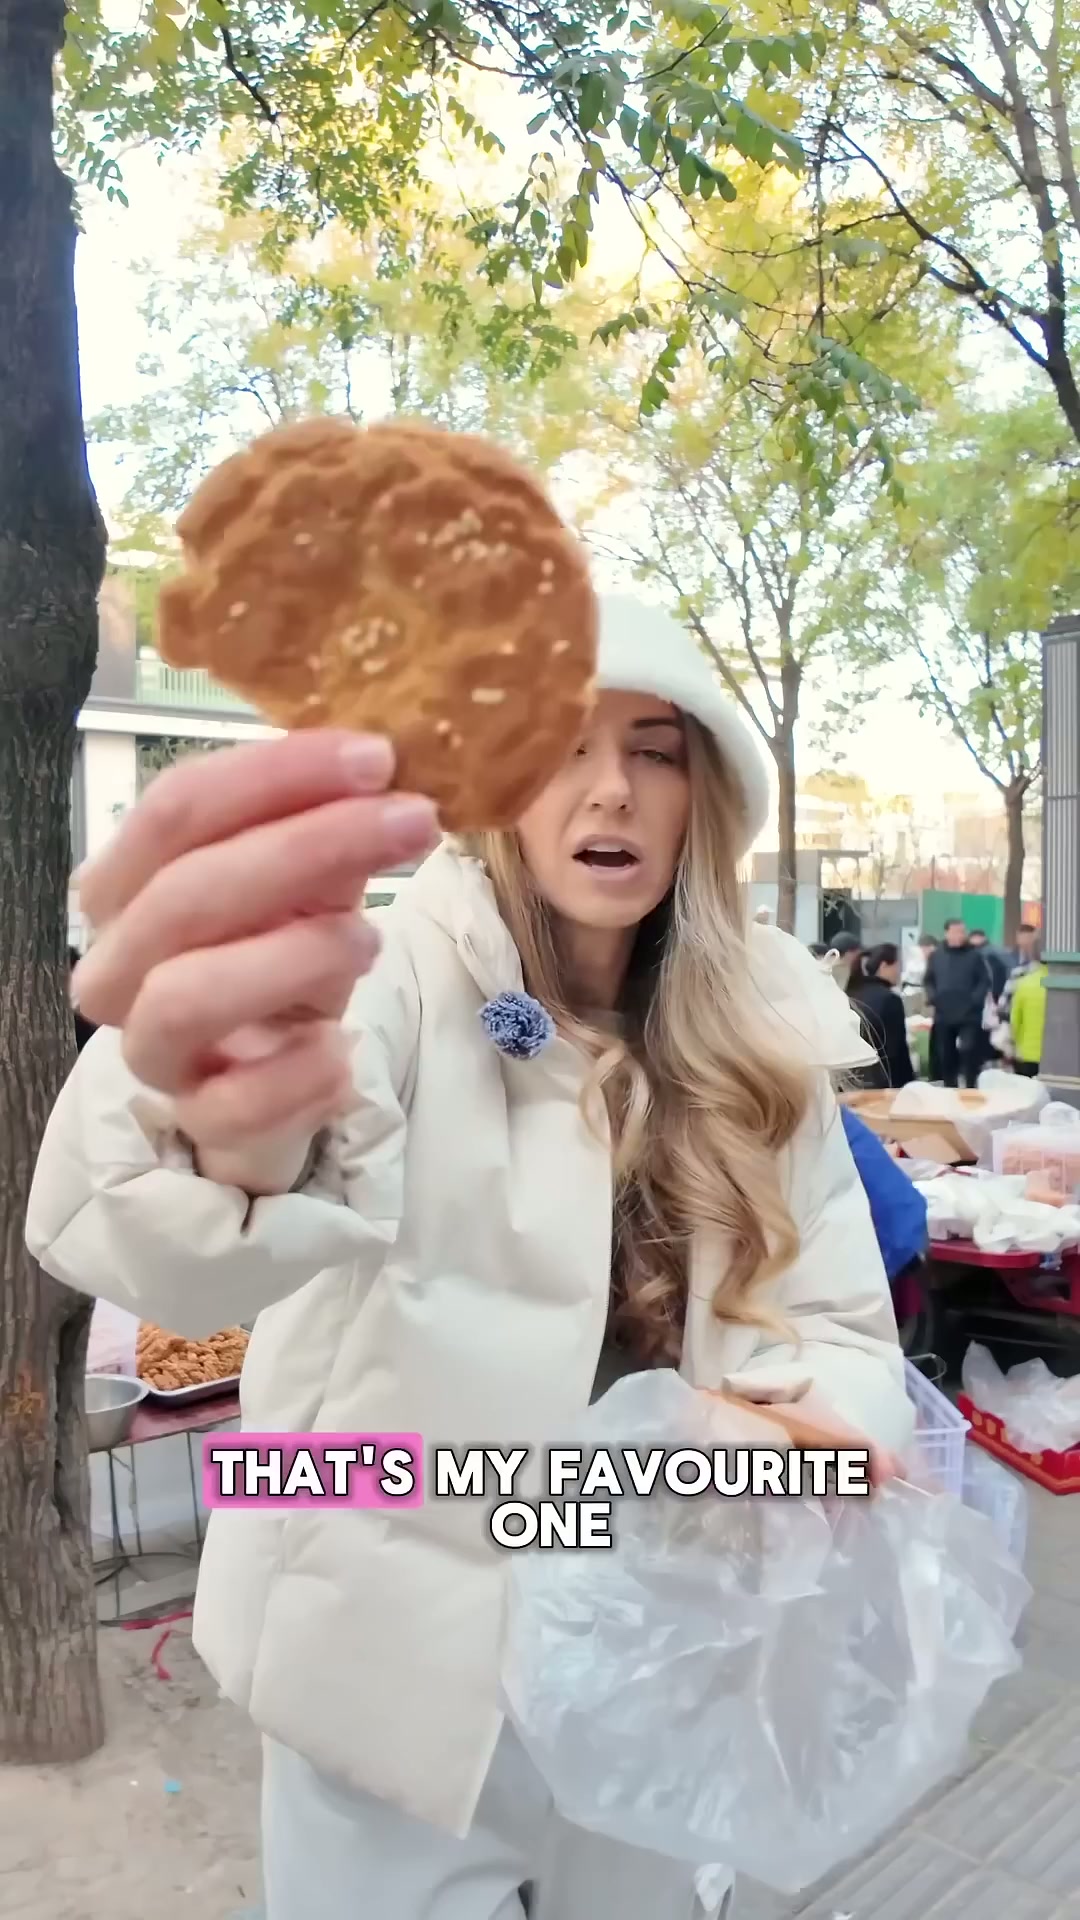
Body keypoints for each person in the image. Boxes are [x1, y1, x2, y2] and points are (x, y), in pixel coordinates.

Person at [28, 594, 913, 1920]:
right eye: (560, 743)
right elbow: (177, 1216)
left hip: (654, 1631)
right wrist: (207, 1123)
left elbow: (840, 1327)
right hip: (387, 1646)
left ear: (704, 793)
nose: (607, 789)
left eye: (656, 750)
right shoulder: (392, 974)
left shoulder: (761, 1029)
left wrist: (807, 1430)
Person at [924, 919, 992, 1089]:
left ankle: (970, 1084)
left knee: (969, 1050)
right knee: (945, 1053)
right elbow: (929, 980)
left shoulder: (975, 955)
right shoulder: (937, 955)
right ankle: (950, 1086)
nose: (959, 936)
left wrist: (975, 1000)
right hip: (944, 1012)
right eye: (956, 932)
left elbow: (984, 981)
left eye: (962, 932)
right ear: (946, 933)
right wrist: (934, 997)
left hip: (969, 1013)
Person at [847, 944, 915, 1090]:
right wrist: (908, 1086)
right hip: (880, 1083)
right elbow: (896, 1051)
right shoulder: (890, 1000)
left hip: (850, 1079)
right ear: (884, 966)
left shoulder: (850, 993)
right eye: (897, 966)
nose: (899, 972)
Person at [1010, 950, 1048, 1078]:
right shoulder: (1068, 986)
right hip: (1059, 1058)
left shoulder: (1024, 983)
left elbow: (1014, 1020)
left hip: (1026, 1053)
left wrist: (1014, 1045)